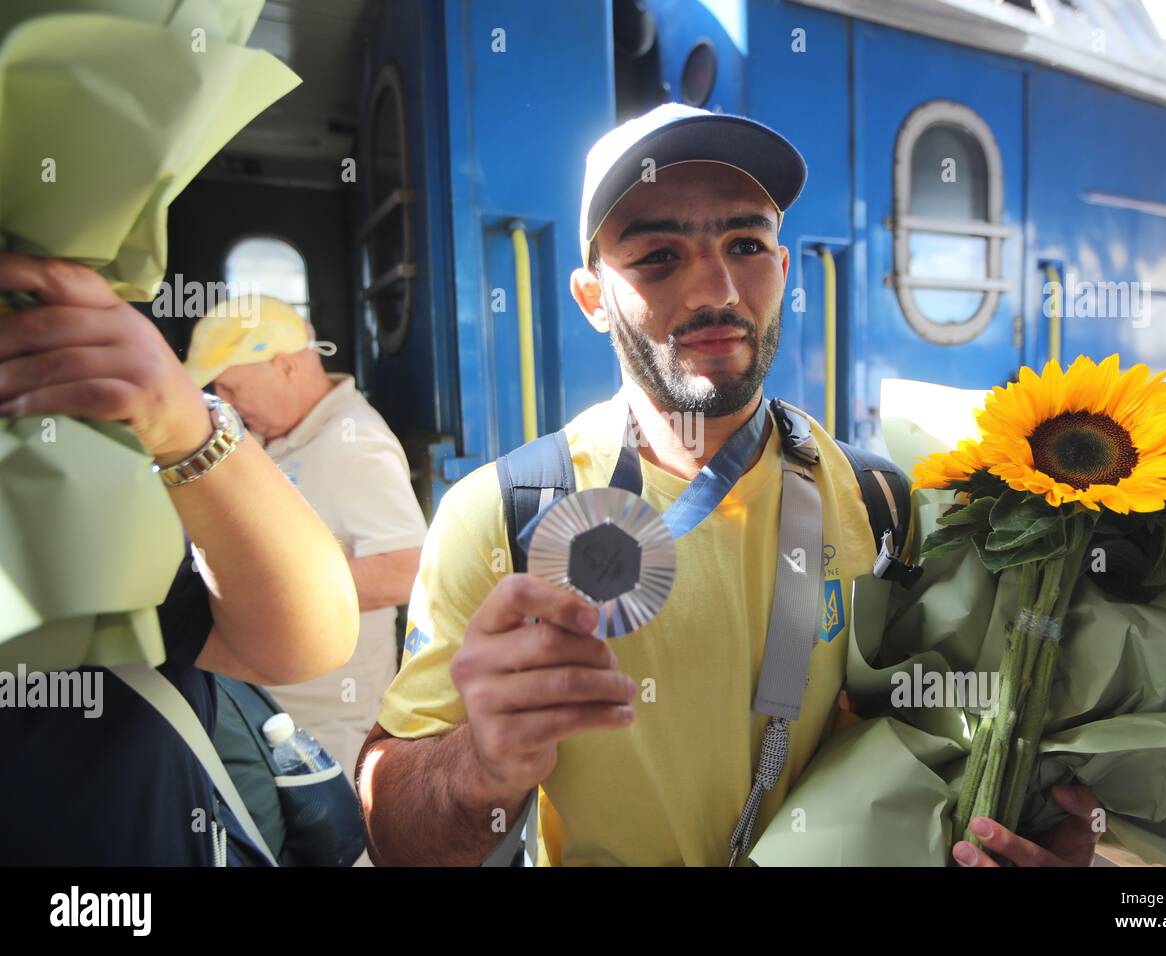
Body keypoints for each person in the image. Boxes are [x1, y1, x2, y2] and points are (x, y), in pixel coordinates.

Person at [356, 104, 1101, 867]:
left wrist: (1024, 819)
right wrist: (478, 765)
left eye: (745, 244)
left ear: (782, 271)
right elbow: (397, 838)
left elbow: (934, 748)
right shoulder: (505, 514)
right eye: (657, 257)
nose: (717, 289)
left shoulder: (884, 504)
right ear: (590, 299)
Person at [0, 253, 359, 865]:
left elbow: (306, 637)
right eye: (214, 388)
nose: (222, 395)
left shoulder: (75, 499)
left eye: (230, 388)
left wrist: (186, 430)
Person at [185, 295, 427, 790]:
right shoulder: (286, 435)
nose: (226, 399)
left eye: (231, 385)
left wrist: (255, 595)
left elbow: (406, 567)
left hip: (329, 722)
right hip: (277, 708)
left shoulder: (352, 441)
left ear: (286, 366)